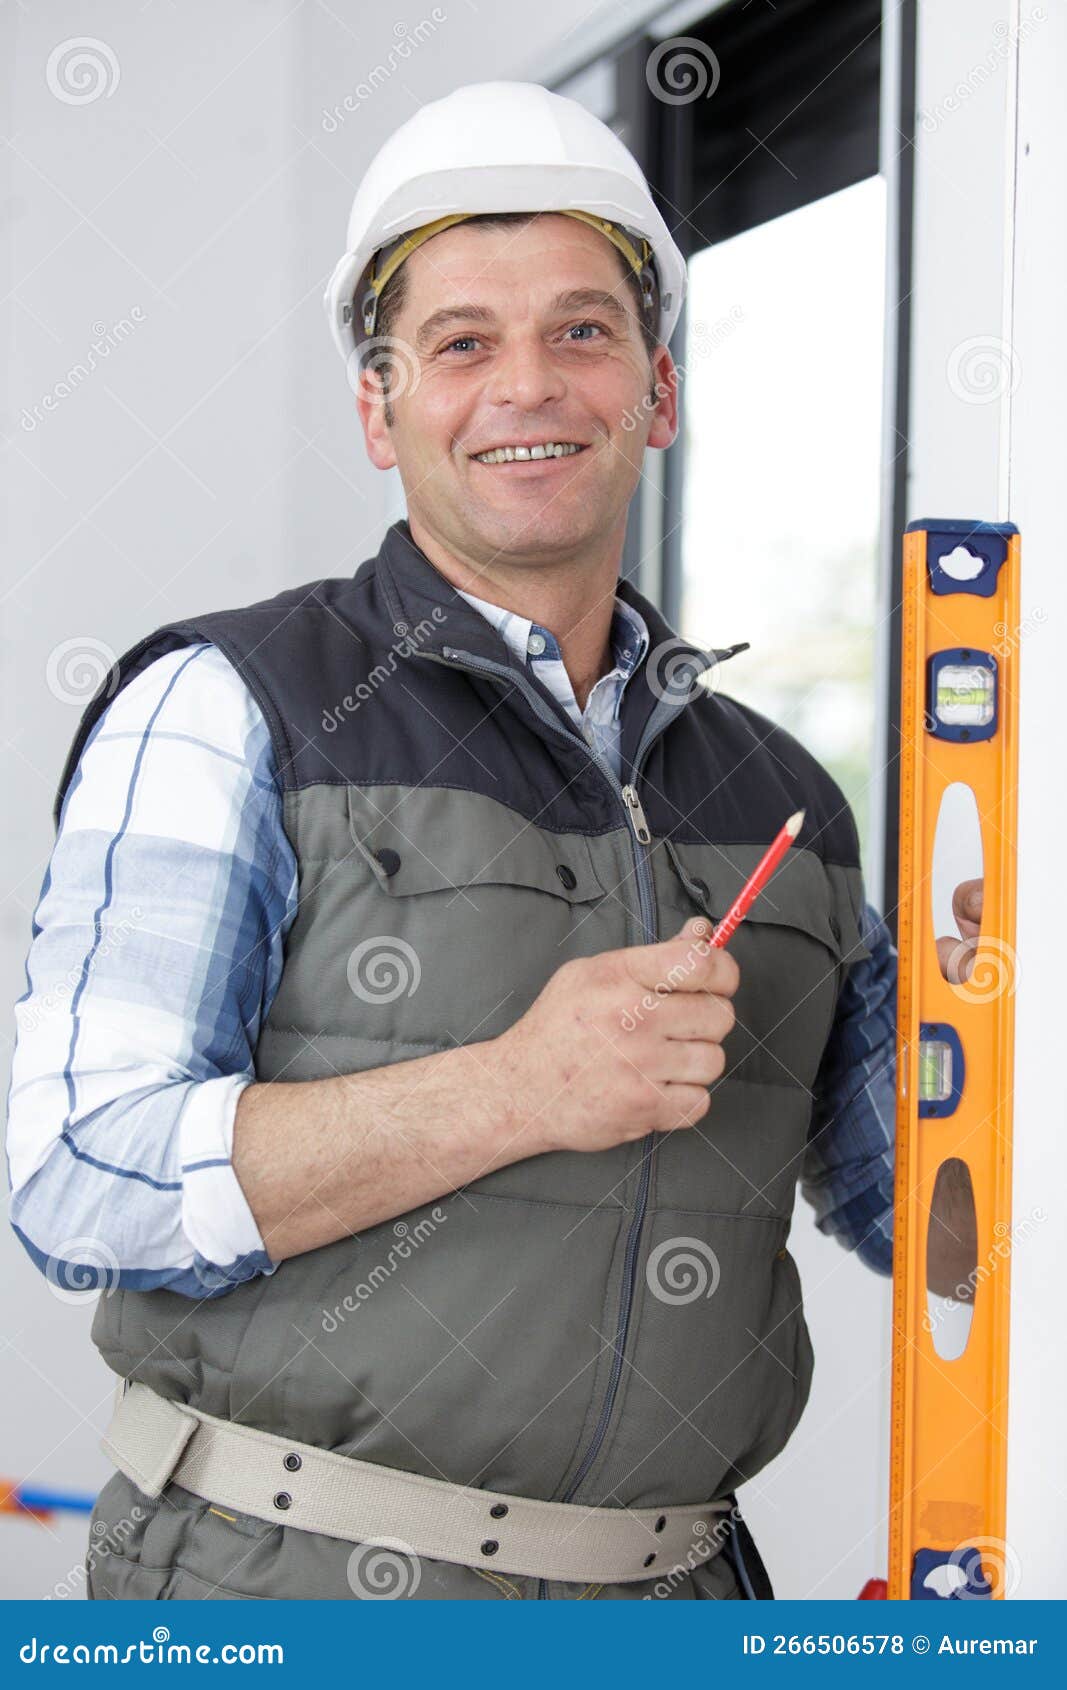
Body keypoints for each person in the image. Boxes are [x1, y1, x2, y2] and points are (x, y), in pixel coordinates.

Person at [6, 80, 981, 1602]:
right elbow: (82, 1177)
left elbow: (932, 1215)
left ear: (660, 391)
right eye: (463, 342)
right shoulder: (228, 707)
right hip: (293, 1590)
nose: (528, 384)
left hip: (689, 1600)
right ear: (380, 404)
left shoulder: (793, 799)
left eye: (583, 332)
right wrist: (514, 1089)